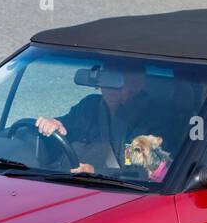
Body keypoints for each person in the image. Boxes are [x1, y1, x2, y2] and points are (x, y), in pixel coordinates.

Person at [34, 64, 164, 175]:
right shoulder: (89, 105)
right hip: (59, 180)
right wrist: (55, 123)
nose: (110, 87)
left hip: (110, 193)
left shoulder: (154, 121)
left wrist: (95, 172)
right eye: (106, 78)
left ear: (137, 84)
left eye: (117, 80)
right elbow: (66, 124)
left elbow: (145, 174)